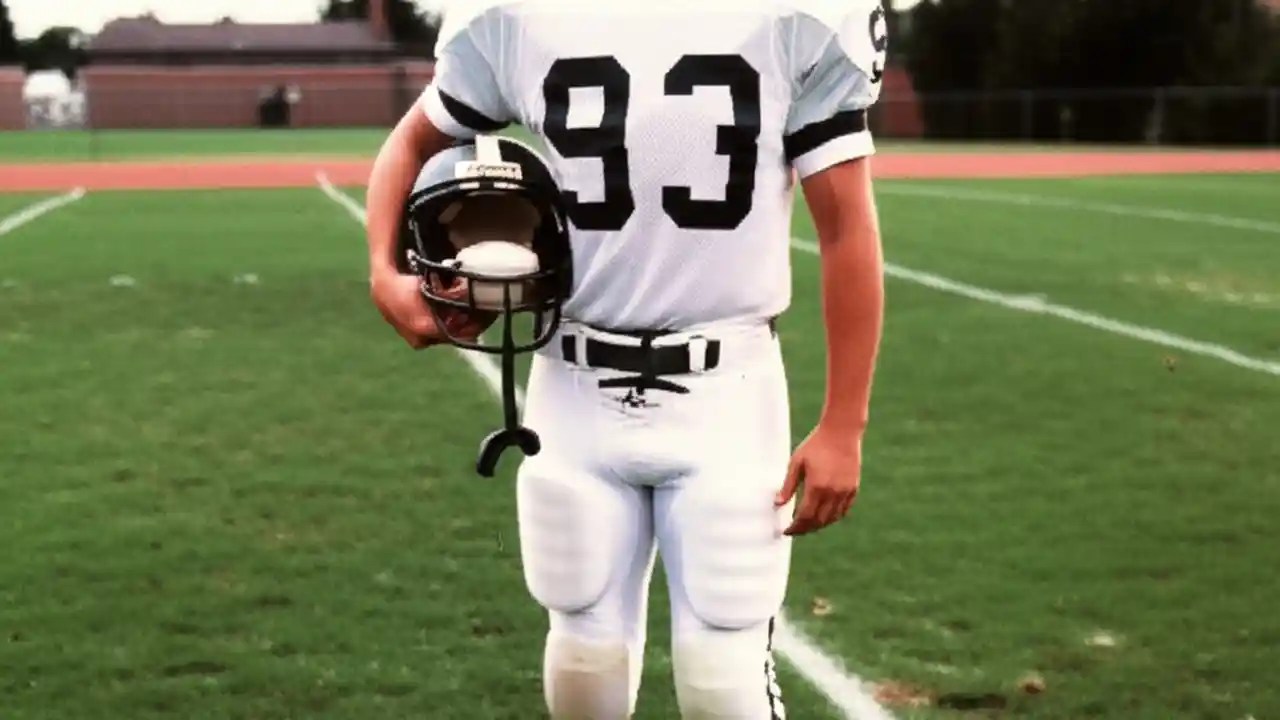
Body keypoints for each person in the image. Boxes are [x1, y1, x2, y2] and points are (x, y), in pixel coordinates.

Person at [364, 1, 888, 717]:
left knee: (723, 681)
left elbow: (847, 229)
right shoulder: (517, 16)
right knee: (584, 666)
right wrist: (383, 271)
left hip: (727, 389)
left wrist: (844, 425)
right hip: (574, 386)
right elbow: (410, 144)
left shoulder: (794, 15)